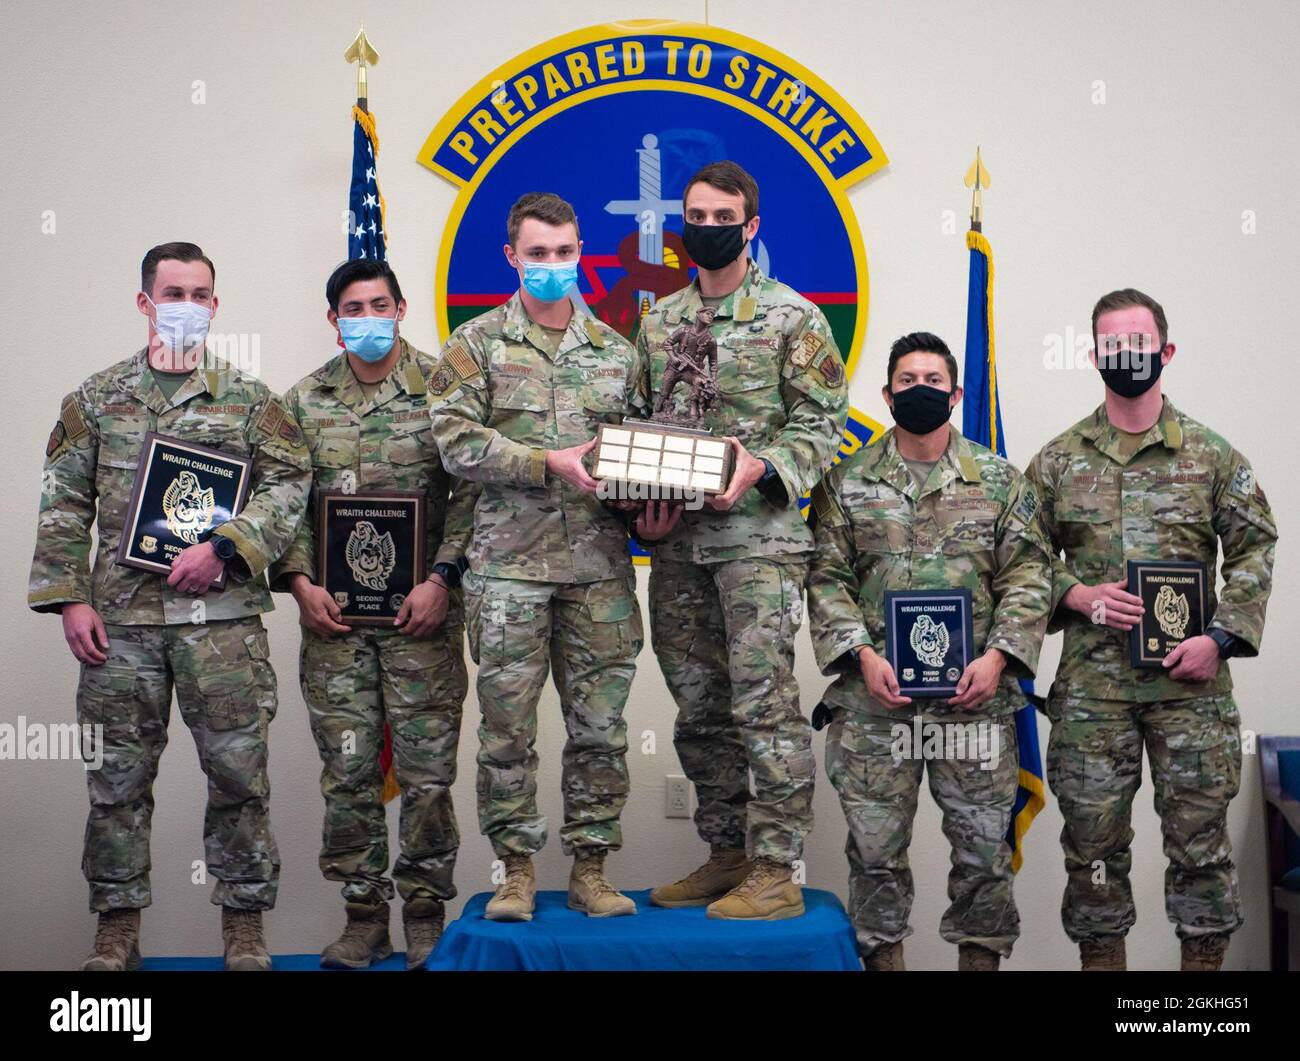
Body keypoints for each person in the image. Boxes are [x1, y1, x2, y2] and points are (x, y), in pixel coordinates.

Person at [28, 241, 310, 970]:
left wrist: (226, 544)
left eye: (199, 293)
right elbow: (63, 502)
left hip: (222, 626)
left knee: (240, 779)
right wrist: (68, 600)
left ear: (215, 306)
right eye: (172, 291)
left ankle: (244, 929)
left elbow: (290, 487)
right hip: (120, 626)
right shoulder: (95, 398)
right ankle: (116, 931)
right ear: (145, 301)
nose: (186, 304)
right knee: (116, 782)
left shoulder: (251, 399)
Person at [1027, 288, 1276, 971]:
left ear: (1166, 352)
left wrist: (1221, 636)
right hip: (1093, 694)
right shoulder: (1057, 461)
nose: (1125, 356)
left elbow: (1256, 546)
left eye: (1139, 344)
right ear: (1093, 355)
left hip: (1189, 690)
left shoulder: (1212, 455)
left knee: (1200, 851)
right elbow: (1016, 561)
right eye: (1112, 346)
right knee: (1094, 854)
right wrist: (1075, 592)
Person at [637, 160, 848, 920]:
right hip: (677, 546)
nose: (708, 228)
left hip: (758, 543)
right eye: (696, 214)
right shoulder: (660, 322)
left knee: (764, 703)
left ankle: (778, 866)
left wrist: (763, 466)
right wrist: (642, 509)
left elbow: (823, 425)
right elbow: (640, 420)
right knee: (698, 708)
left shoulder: (795, 318)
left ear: (751, 227)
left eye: (724, 217)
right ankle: (727, 850)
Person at [428, 193, 646, 921]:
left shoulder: (620, 352)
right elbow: (455, 442)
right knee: (506, 732)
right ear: (511, 257)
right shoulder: (475, 345)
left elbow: (642, 449)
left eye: (563, 252)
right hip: (507, 572)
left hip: (597, 573)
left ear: (581, 249)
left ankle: (590, 868)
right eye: (537, 254)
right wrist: (544, 461)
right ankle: (515, 871)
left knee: (600, 731)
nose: (552, 266)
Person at [807, 332, 1052, 969]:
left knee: (983, 858)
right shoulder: (846, 481)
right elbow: (826, 576)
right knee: (876, 857)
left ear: (957, 393)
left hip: (974, 706)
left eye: (934, 381)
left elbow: (1030, 576)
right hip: (875, 705)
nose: (921, 391)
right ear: (887, 395)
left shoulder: (1000, 483)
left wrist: (998, 656)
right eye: (908, 382)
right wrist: (860, 653)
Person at [270, 258, 469, 969]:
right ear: (334, 318)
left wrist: (443, 578)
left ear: (402, 307)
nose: (368, 316)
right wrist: (297, 581)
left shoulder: (446, 390)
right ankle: (362, 915)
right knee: (348, 773)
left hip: (424, 622)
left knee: (426, 774)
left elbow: (472, 498)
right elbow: (281, 500)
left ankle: (423, 910)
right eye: (353, 307)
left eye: (379, 303)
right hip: (335, 628)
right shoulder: (301, 401)